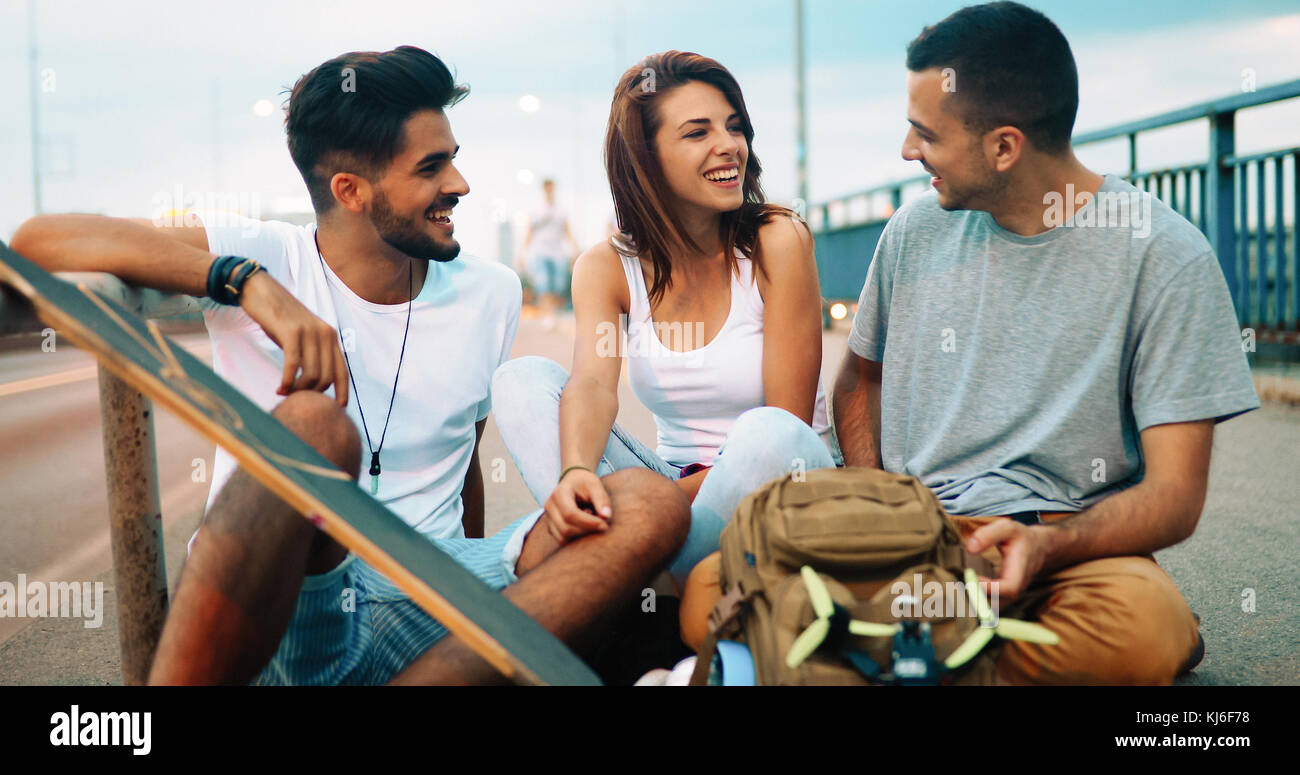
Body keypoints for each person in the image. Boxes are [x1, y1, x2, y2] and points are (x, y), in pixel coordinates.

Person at [12, 45, 689, 685]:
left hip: (436, 584)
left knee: (649, 504)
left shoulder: (492, 290)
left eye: (452, 158)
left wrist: (483, 581)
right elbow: (38, 242)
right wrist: (246, 282)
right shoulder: (265, 252)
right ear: (351, 190)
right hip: (298, 599)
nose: (459, 183)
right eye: (430, 168)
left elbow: (464, 467)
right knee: (314, 425)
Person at [829, 2, 1260, 684]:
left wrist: (1048, 544)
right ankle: (964, 657)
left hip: (1070, 547)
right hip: (921, 533)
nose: (908, 152)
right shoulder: (911, 234)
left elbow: (1176, 494)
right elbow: (859, 382)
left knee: (1142, 627)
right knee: (715, 590)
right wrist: (879, 504)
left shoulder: (1165, 257)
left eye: (925, 135)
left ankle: (908, 660)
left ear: (1004, 146)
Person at [491, 51, 840, 589]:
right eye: (697, 133)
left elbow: (788, 423)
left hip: (781, 485)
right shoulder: (607, 268)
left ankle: (616, 569)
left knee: (766, 434)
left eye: (735, 127)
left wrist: (643, 509)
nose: (729, 145)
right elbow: (591, 385)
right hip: (669, 482)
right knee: (520, 380)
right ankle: (646, 572)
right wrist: (578, 473)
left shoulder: (777, 242)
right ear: (645, 159)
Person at [521, 178, 579, 328]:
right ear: (543, 189)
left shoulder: (561, 211)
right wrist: (522, 253)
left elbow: (568, 231)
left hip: (558, 253)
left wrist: (575, 250)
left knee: (558, 285)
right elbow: (529, 232)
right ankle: (548, 315)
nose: (549, 190)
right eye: (547, 188)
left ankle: (552, 312)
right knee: (544, 283)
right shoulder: (536, 211)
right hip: (540, 252)